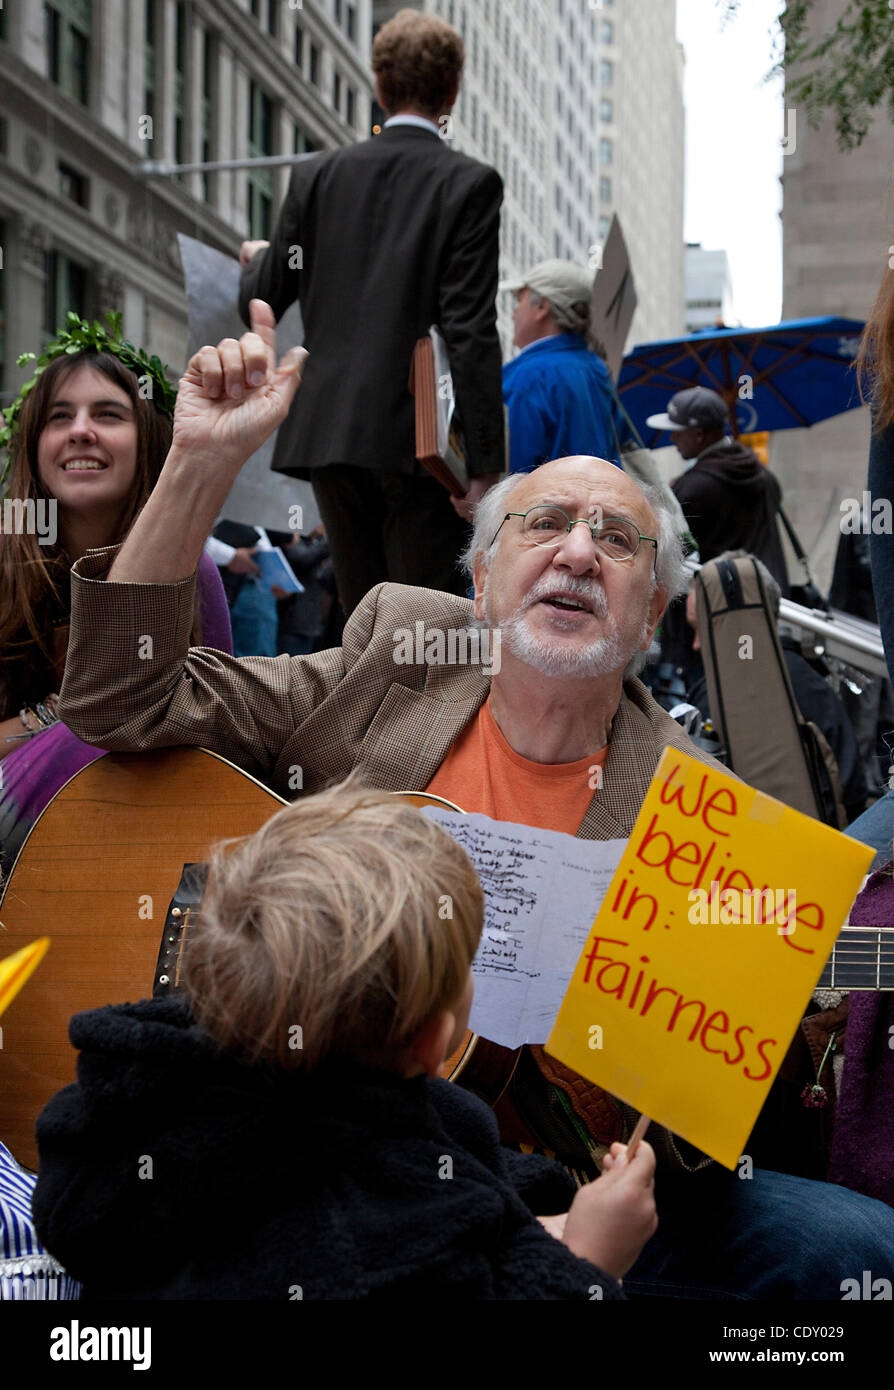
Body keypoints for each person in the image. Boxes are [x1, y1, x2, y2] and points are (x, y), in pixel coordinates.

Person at [55, 300, 894, 1298]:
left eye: (618, 540)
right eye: (545, 525)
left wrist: (763, 1031)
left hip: (523, 1176)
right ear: (485, 576)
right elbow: (120, 697)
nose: (578, 553)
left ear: (655, 610)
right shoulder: (395, 659)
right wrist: (195, 461)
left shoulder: (701, 818)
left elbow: (684, 1139)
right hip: (291, 1126)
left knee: (849, 1248)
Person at [32, 782, 657, 1300]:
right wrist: (589, 1260)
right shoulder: (386, 1239)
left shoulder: (128, 1118)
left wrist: (541, 1225)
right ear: (434, 1041)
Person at [238, 7, 505, 618]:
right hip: (423, 442)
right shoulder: (470, 184)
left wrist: (256, 261)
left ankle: (361, 714)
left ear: (379, 86)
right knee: (423, 623)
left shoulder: (316, 176)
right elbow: (468, 327)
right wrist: (485, 466)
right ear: (453, 92)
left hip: (332, 432)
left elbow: (266, 294)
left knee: (361, 616)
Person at [0, 314, 232, 875]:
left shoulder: (193, 570)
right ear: (34, 446)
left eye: (107, 414)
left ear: (147, 442)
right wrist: (59, 725)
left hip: (134, 844)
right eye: (60, 417)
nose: (82, 430)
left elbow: (215, 734)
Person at [683, 554, 868, 823]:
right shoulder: (813, 683)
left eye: (701, 630)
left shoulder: (709, 698)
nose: (696, 645)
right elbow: (853, 791)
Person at [646, 385, 789, 684]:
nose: (673, 440)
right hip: (760, 609)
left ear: (700, 435)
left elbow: (672, 563)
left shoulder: (694, 488)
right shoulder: (762, 476)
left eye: (678, 431)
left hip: (705, 628)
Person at [500, 259, 627, 474]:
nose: (514, 314)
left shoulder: (528, 377)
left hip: (544, 506)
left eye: (519, 302)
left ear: (541, 307)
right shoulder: (597, 369)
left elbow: (515, 472)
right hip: (602, 502)